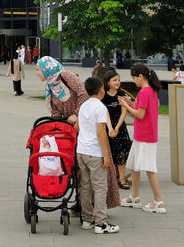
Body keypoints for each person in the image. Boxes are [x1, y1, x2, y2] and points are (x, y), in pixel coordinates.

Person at [36, 56, 121, 213]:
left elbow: (83, 93)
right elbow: (55, 109)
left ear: (47, 68)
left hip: (85, 125)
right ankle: (82, 203)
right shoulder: (50, 86)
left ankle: (98, 207)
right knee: (77, 169)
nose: (36, 73)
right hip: (70, 130)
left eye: (38, 69)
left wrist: (77, 114)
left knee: (95, 169)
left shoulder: (65, 76)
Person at [119, 62, 165, 214]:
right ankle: (134, 197)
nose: (133, 81)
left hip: (145, 136)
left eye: (134, 78)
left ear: (140, 76)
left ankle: (158, 202)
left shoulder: (144, 92)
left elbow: (139, 114)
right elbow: (141, 109)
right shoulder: (150, 91)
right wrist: (129, 102)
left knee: (149, 169)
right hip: (144, 135)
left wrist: (126, 107)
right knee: (134, 165)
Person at [75, 76, 118, 233]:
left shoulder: (83, 106)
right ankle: (101, 223)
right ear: (101, 89)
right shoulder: (100, 107)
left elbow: (76, 127)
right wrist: (106, 155)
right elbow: (101, 132)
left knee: (85, 186)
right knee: (100, 187)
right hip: (94, 152)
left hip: (81, 151)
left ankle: (87, 220)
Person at [102, 69, 132, 190]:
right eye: (114, 80)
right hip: (107, 127)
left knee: (121, 153)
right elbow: (104, 113)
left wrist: (117, 127)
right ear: (107, 82)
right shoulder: (103, 96)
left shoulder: (122, 96)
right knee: (109, 152)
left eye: (119, 80)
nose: (117, 82)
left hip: (120, 128)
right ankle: (112, 177)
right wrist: (110, 128)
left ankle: (122, 178)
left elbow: (124, 112)